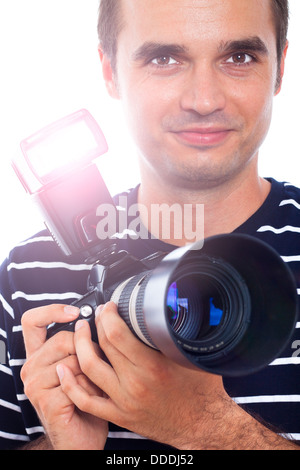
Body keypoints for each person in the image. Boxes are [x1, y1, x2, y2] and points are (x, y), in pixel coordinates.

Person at [1, 0, 300, 450]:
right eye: (165, 59)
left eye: (238, 57)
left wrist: (204, 426)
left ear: (279, 68)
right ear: (109, 69)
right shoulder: (28, 275)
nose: (204, 100)